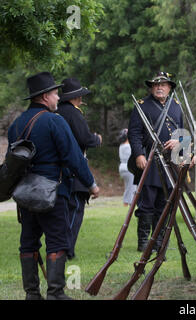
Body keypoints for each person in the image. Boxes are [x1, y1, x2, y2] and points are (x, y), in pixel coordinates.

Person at [9, 72, 99, 300]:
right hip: (53, 193)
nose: (58, 98)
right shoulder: (54, 121)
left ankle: (31, 294)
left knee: (28, 243)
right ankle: (56, 293)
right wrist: (91, 184)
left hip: (25, 194)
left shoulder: (16, 125)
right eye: (56, 93)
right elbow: (74, 157)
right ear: (45, 96)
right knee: (57, 241)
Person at [128, 71, 183, 252]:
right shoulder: (142, 106)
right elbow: (134, 133)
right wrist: (138, 155)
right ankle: (144, 243)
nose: (160, 87)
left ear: (169, 87)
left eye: (164, 84)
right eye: (156, 84)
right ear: (151, 87)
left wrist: (180, 141)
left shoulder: (176, 106)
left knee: (165, 203)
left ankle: (159, 243)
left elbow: (183, 132)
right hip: (150, 160)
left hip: (170, 162)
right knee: (147, 203)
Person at [56, 77, 102, 260]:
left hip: (58, 170)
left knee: (63, 212)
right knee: (75, 209)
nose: (82, 100)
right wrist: (97, 139)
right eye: (80, 96)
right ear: (75, 98)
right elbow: (84, 138)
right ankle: (67, 249)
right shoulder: (73, 113)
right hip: (73, 169)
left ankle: (61, 248)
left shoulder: (56, 112)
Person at [118, 128, 136, 206]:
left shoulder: (121, 146)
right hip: (128, 168)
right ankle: (131, 203)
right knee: (132, 187)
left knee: (128, 186)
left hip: (122, 167)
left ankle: (126, 202)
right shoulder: (128, 146)